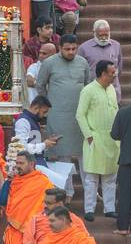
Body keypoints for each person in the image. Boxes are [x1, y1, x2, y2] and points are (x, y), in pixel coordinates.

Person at [36, 35, 91, 170]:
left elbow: (87, 85)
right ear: (59, 48)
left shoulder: (83, 62)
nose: (71, 52)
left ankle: (89, 190)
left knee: (84, 153)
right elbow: (40, 86)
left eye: (74, 49)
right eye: (67, 49)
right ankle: (66, 191)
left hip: (79, 115)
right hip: (58, 115)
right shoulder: (49, 63)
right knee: (62, 154)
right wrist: (48, 105)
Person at [76, 59, 120, 221]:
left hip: (112, 138)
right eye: (112, 73)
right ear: (103, 74)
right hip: (94, 138)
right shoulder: (88, 90)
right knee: (92, 178)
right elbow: (80, 114)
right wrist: (88, 135)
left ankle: (109, 208)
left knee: (110, 177)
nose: (114, 75)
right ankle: (89, 209)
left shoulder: (111, 90)